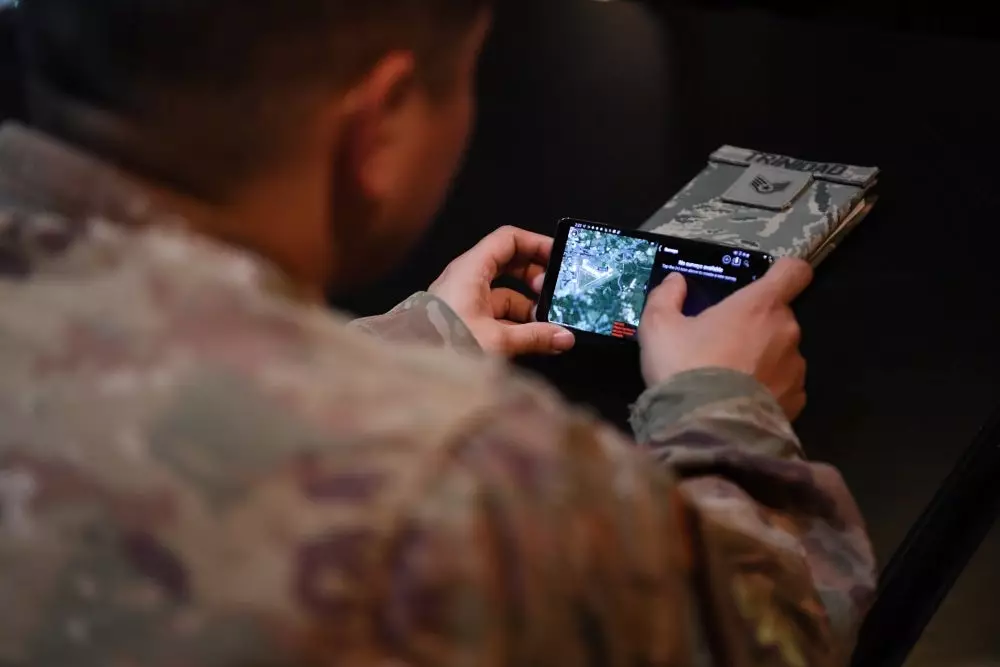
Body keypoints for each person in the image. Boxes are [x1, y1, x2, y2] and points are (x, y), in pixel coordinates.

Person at [0, 1, 876, 666]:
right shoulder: (465, 488)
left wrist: (422, 341)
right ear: (376, 130)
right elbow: (769, 638)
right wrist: (727, 412)